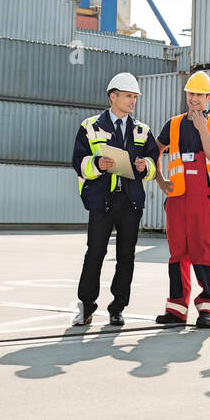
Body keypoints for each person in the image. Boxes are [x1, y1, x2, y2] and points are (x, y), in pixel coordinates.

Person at [71, 72, 159, 328]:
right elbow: (78, 162)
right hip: (102, 201)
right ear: (113, 97)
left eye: (135, 97)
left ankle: (117, 308)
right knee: (95, 253)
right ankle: (86, 306)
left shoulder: (142, 131)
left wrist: (145, 166)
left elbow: (153, 164)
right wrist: (97, 163)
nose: (133, 101)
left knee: (126, 257)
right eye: (129, 96)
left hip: (130, 202)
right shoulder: (90, 126)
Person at [153, 72, 210, 330]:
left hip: (204, 200)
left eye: (199, 95)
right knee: (178, 254)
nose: (194, 99)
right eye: (191, 93)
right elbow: (154, 152)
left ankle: (207, 309)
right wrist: (160, 180)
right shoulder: (172, 124)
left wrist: (201, 129)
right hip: (177, 199)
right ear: (186, 95)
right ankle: (176, 308)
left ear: (208, 97)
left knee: (206, 251)